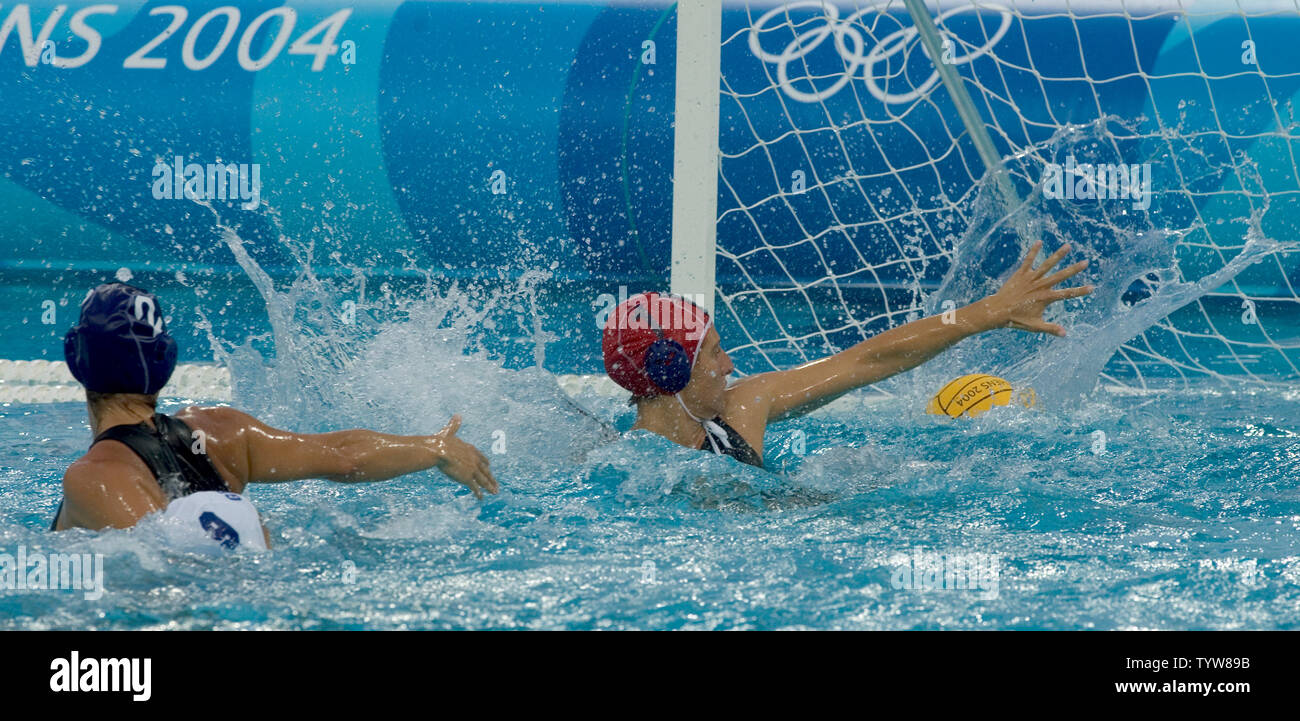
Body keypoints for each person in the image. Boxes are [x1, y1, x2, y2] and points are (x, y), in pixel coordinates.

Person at [51, 283, 497, 549]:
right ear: (167, 362)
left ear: (75, 361)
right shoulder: (221, 432)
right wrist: (433, 448)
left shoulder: (94, 478)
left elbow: (170, 569)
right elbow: (345, 455)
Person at [601, 242, 1093, 468]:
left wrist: (988, 312)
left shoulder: (742, 410)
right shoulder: (629, 470)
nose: (730, 365)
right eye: (713, 353)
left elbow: (866, 361)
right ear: (671, 372)